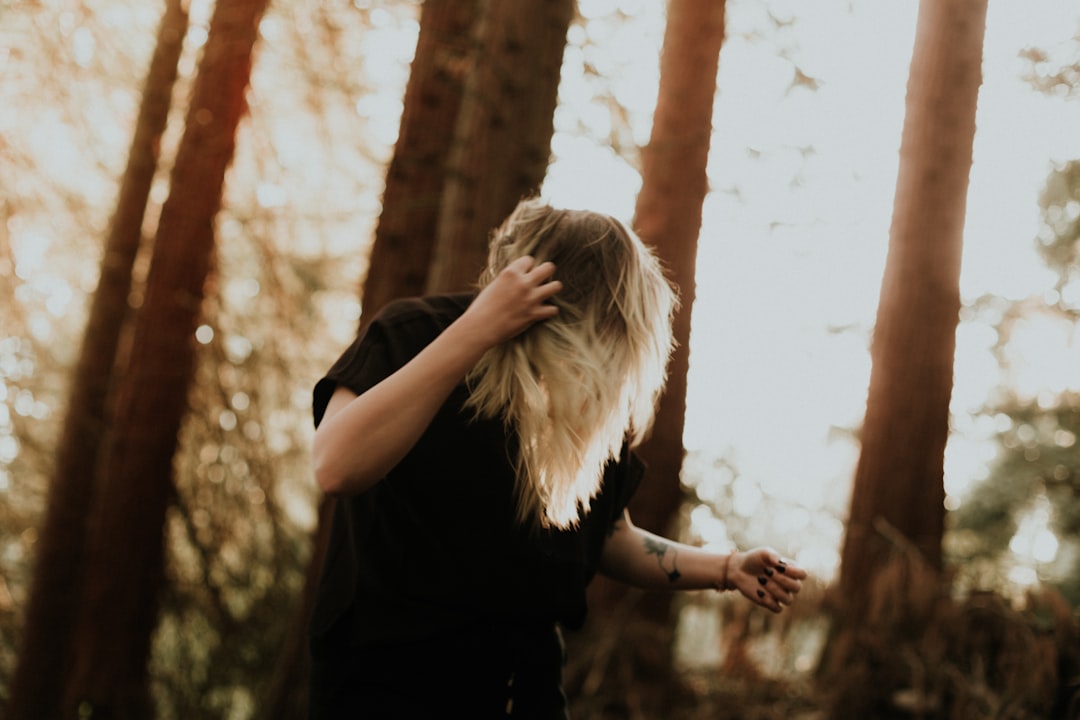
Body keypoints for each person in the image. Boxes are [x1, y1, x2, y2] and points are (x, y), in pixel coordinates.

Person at [307, 198, 807, 719]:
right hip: (382, 692)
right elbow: (337, 464)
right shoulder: (413, 333)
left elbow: (610, 534)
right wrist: (477, 330)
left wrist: (726, 568)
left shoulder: (583, 402)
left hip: (526, 695)